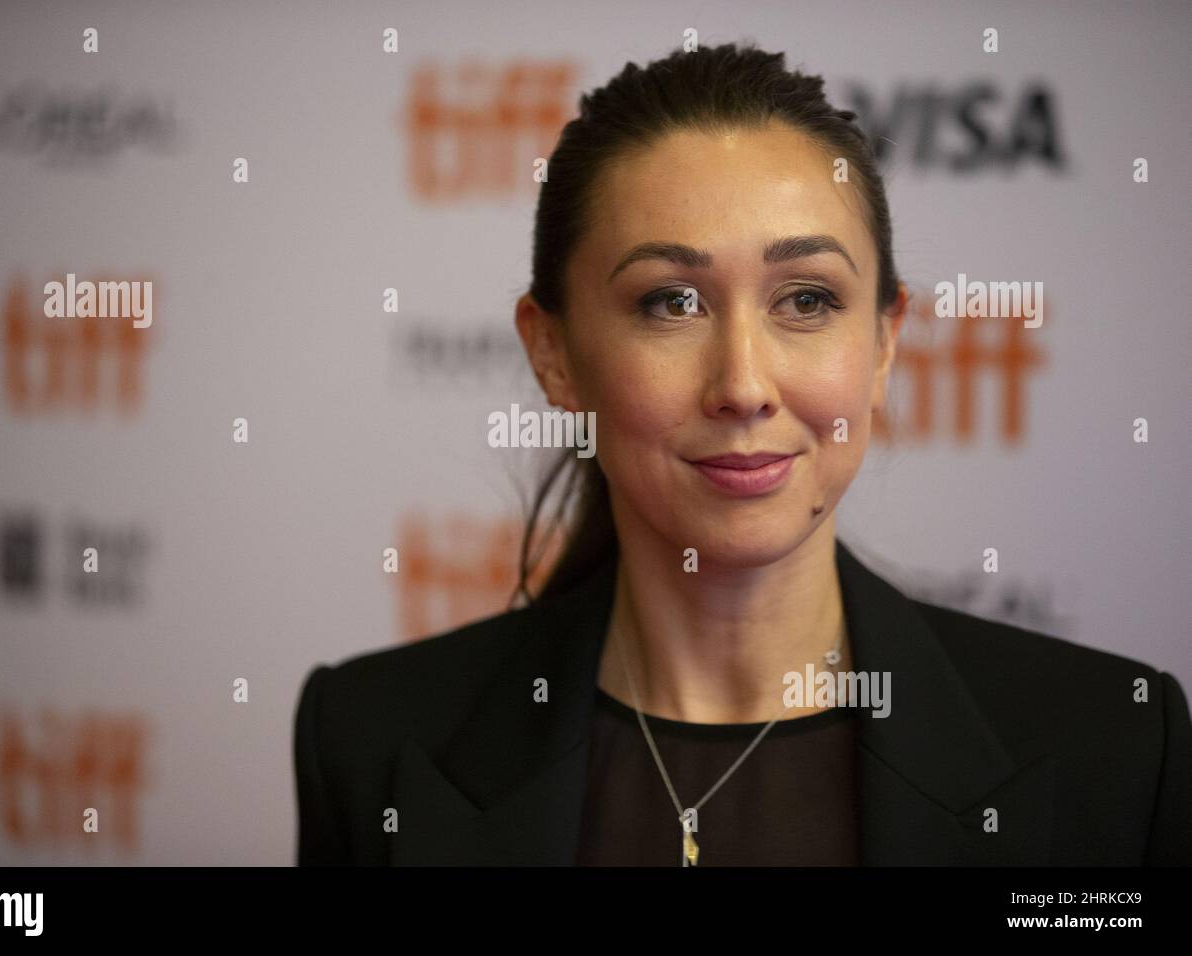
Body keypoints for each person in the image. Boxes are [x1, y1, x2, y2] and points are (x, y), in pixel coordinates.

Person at [294, 41, 1192, 866]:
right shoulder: (372, 743)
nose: (744, 385)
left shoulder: (1108, 752)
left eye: (805, 299)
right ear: (554, 356)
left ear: (883, 344)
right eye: (669, 304)